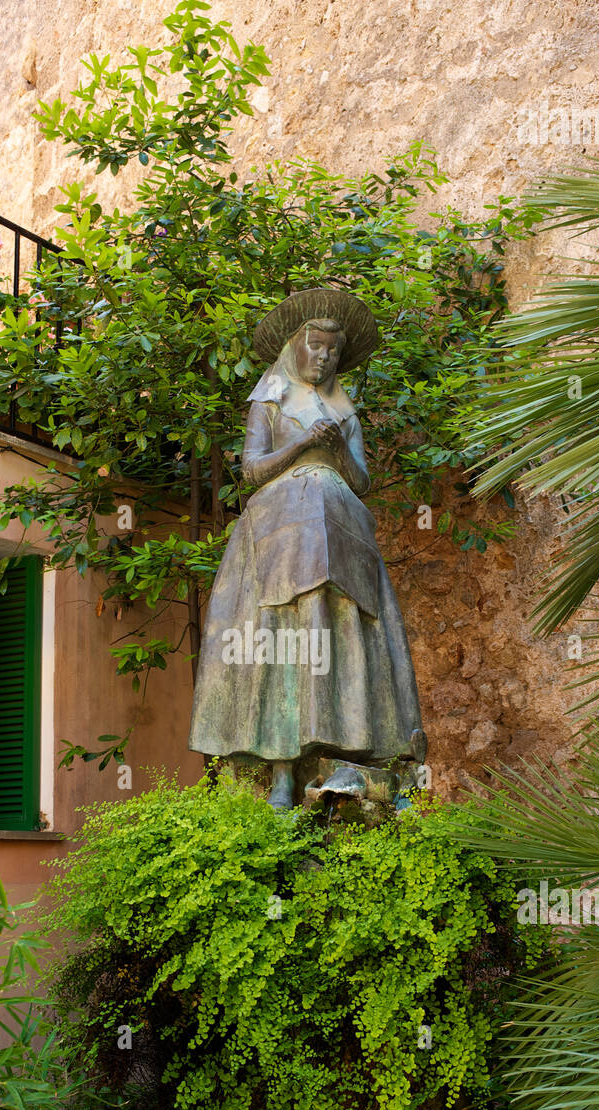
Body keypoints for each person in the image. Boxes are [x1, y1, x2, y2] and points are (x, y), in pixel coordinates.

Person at [189, 286, 423, 808]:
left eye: (333, 350)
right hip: (280, 528)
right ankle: (281, 773)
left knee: (348, 636)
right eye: (315, 345)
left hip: (344, 525)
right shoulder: (270, 400)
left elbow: (362, 482)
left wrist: (337, 448)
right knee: (280, 639)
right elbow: (250, 471)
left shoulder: (345, 407)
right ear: (296, 345)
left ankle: (360, 756)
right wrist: (302, 445)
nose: (323, 356)